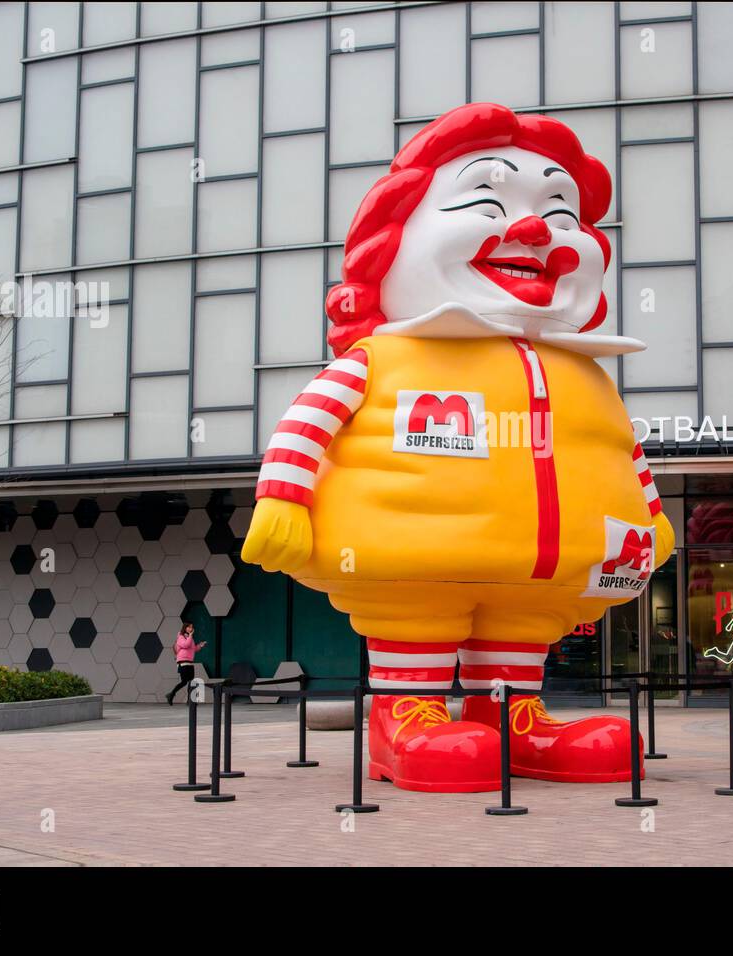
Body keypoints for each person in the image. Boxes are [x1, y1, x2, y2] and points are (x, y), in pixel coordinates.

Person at [242, 102, 674, 793]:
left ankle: (513, 719)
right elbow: (309, 420)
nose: (535, 231)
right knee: (421, 615)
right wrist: (285, 497)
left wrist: (653, 520)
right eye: (484, 201)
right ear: (395, 239)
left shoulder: (585, 374)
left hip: (540, 567)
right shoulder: (384, 359)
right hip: (408, 551)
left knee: (518, 628)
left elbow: (621, 450)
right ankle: (403, 716)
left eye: (563, 217)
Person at [165, 623, 205, 705]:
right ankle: (171, 694)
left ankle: (189, 700)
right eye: (189, 627)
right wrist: (190, 636)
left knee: (190, 682)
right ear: (185, 628)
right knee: (184, 682)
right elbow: (185, 645)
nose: (191, 628)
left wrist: (200, 646)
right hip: (183, 662)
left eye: (192, 627)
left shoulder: (190, 638)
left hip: (189, 662)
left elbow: (193, 649)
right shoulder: (180, 637)